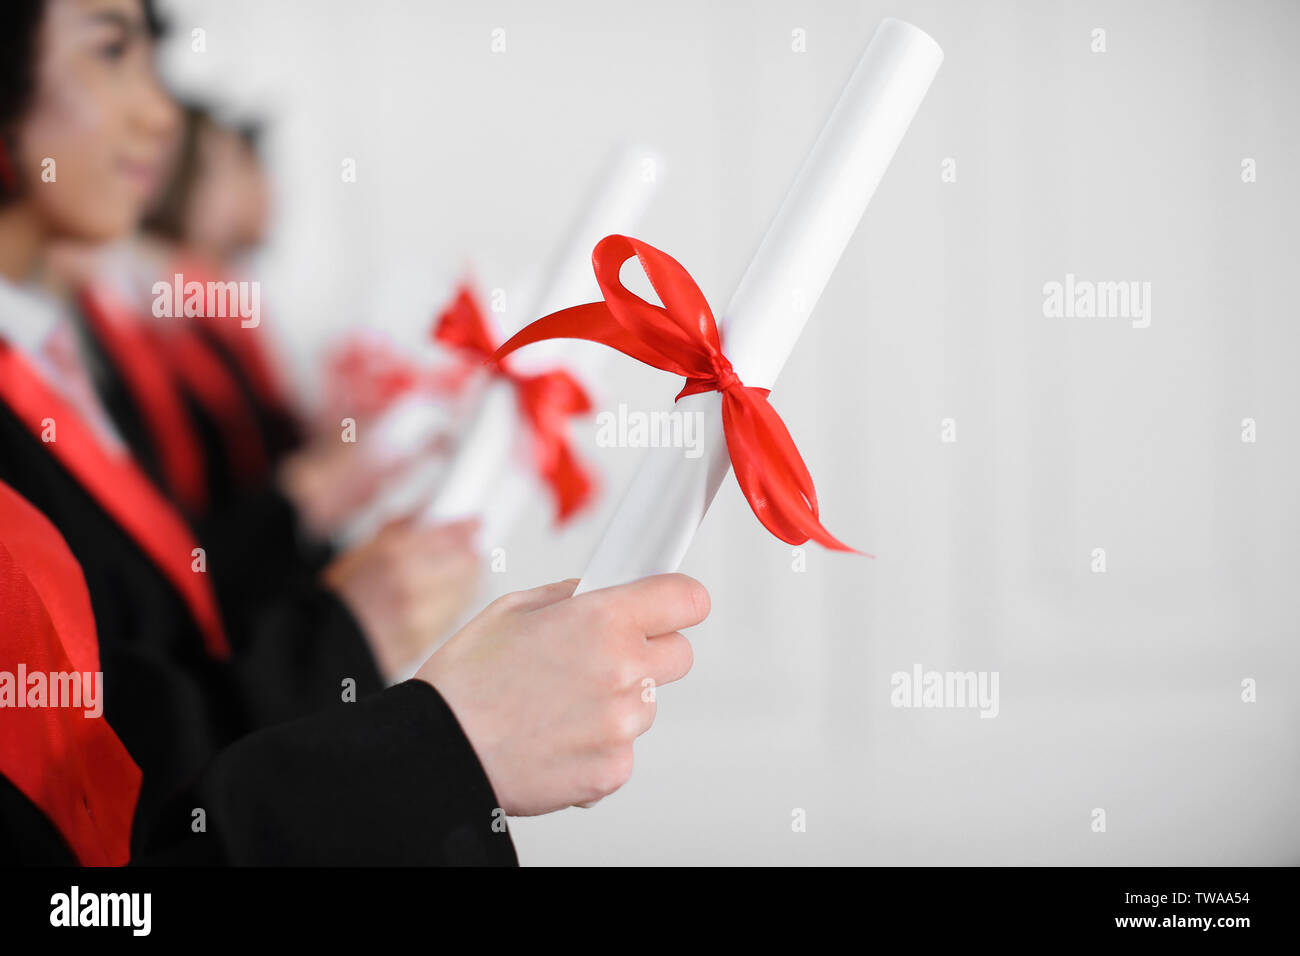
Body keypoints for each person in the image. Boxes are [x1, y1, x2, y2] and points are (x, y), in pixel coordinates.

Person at [0, 0, 707, 865]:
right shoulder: (108, 339)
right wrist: (405, 703)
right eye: (111, 51)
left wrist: (346, 597)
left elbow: (147, 652)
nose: (159, 116)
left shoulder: (60, 352)